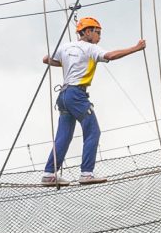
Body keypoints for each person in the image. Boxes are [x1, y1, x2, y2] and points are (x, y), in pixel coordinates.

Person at [41, 17, 145, 185]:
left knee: (64, 136)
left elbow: (46, 59)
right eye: (97, 33)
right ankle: (87, 173)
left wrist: (68, 64)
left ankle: (48, 173)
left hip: (64, 95)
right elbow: (110, 55)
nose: (99, 37)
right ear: (87, 32)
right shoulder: (90, 48)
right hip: (77, 95)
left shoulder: (65, 47)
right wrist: (136, 48)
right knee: (93, 131)